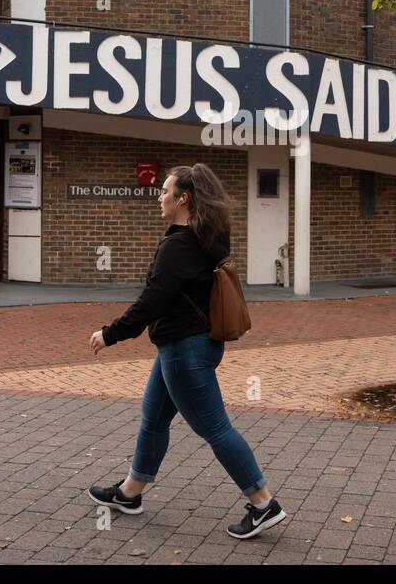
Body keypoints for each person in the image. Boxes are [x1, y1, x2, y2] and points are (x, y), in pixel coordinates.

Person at [87, 163, 287, 539]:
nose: (159, 197)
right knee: (153, 418)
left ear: (183, 198)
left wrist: (110, 334)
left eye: (165, 191)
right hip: (191, 345)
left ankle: (263, 503)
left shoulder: (179, 245)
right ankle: (131, 493)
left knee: (214, 428)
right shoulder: (204, 236)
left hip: (184, 351)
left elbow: (153, 301)